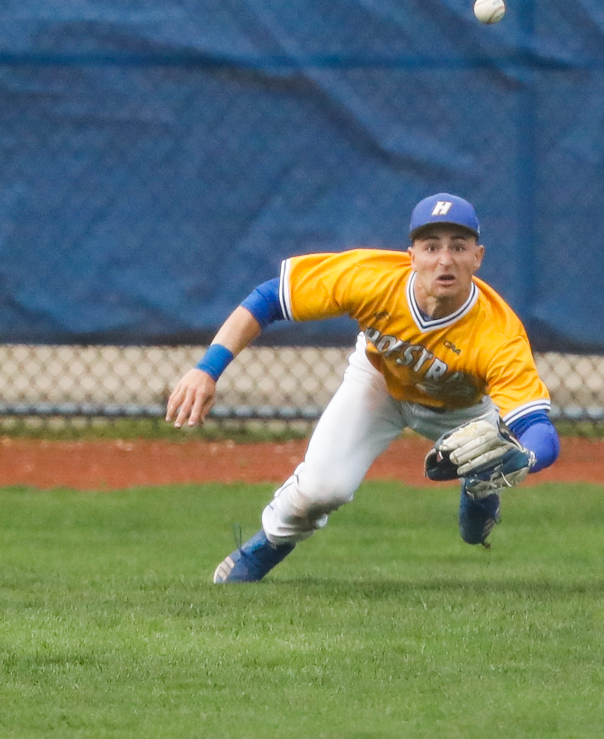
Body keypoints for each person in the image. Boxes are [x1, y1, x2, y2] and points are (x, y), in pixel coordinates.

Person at [166, 192, 561, 583]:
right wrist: (207, 369)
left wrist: (525, 457)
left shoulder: (498, 334)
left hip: (462, 411)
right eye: (431, 246)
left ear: (478, 257)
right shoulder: (372, 278)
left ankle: (479, 489)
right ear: (411, 257)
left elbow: (541, 431)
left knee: (476, 514)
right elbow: (270, 298)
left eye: (459, 246)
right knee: (322, 489)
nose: (445, 259)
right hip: (379, 382)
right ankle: (267, 545)